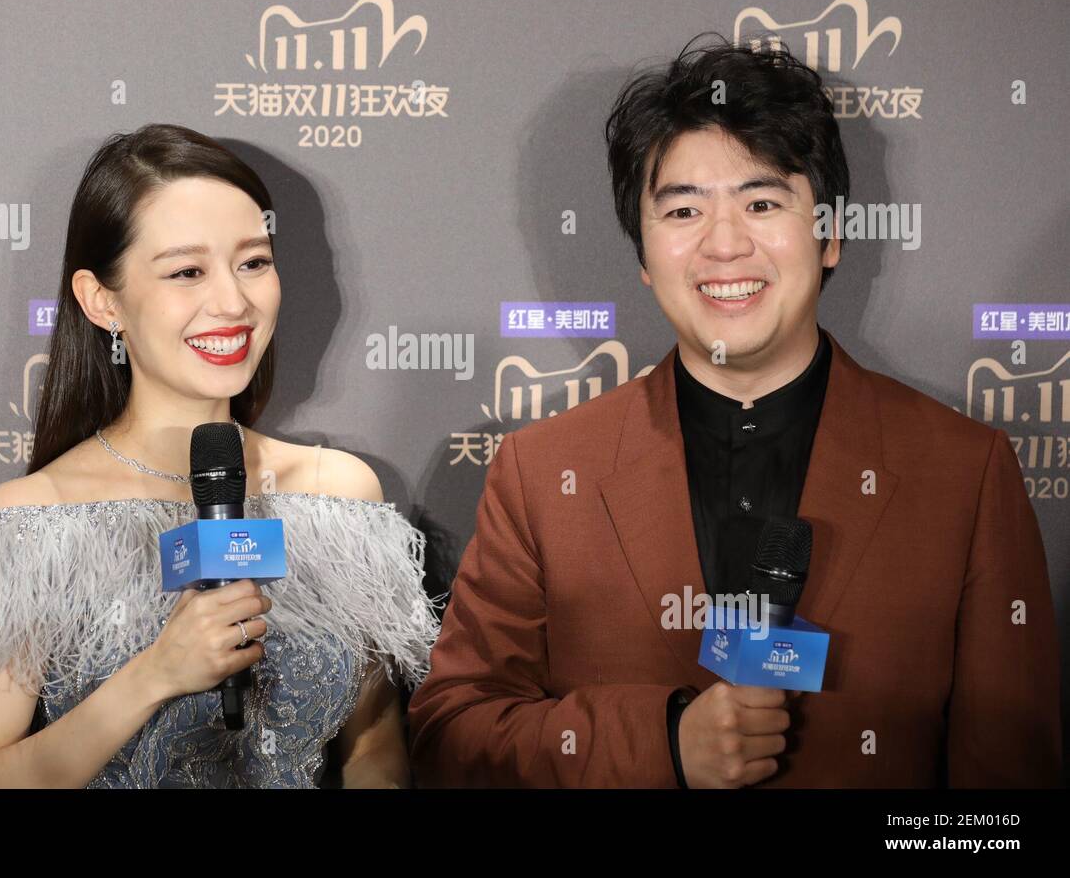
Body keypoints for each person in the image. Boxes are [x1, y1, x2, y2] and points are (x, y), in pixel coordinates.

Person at [406, 38, 1063, 787]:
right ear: (644, 257)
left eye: (762, 203)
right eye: (684, 210)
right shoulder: (543, 471)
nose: (724, 244)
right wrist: (665, 741)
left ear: (831, 234)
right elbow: (453, 737)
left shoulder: (963, 470)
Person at [0, 123, 441, 788]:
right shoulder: (33, 520)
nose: (233, 302)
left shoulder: (341, 496)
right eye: (187, 272)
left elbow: (375, 743)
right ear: (102, 301)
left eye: (253, 262)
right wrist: (155, 674)